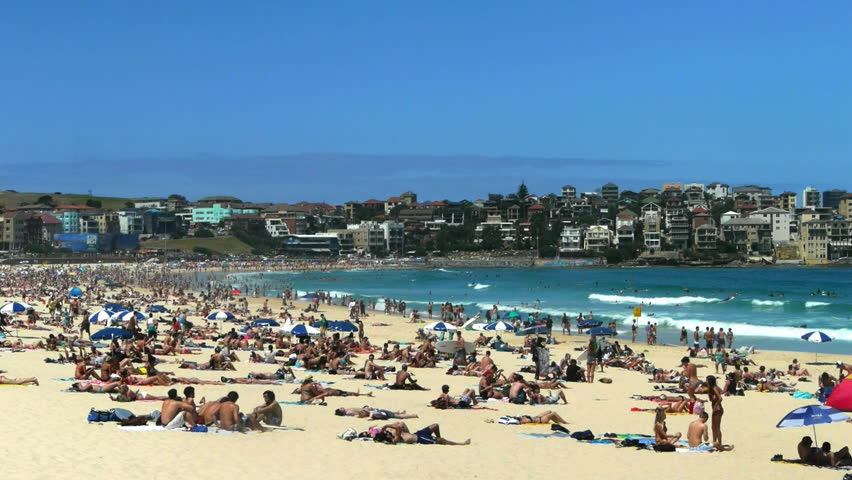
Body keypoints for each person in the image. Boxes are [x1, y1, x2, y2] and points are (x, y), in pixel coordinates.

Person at [376, 422, 470, 445]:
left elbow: (400, 425)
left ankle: (439, 440)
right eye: (386, 433)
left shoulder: (392, 435)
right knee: (441, 440)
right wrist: (387, 425)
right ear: (386, 437)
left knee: (435, 425)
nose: (387, 433)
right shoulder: (394, 440)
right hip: (420, 439)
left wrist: (377, 430)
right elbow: (398, 428)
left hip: (418, 433)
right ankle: (461, 444)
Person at [706, 375, 733, 451]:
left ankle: (719, 444)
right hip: (716, 409)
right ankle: (715, 442)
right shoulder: (713, 388)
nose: (706, 382)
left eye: (707, 380)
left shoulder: (714, 388)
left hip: (717, 409)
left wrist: (716, 405)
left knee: (717, 427)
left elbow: (720, 398)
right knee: (713, 427)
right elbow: (721, 392)